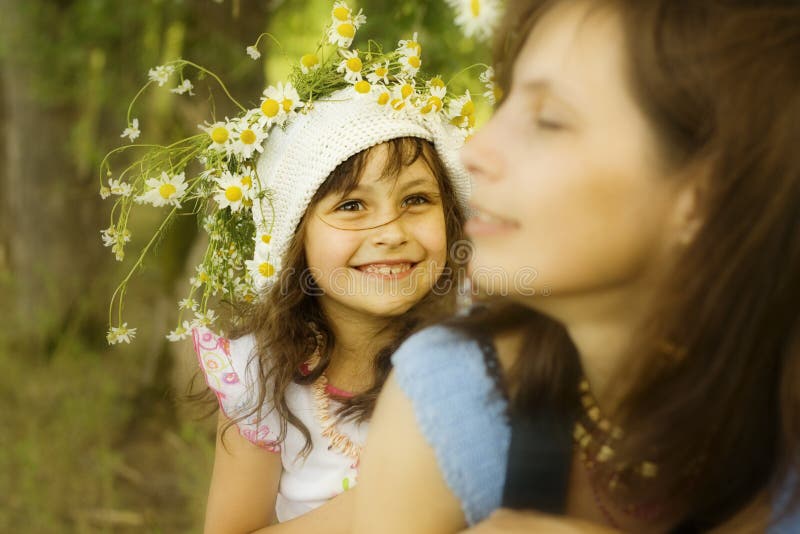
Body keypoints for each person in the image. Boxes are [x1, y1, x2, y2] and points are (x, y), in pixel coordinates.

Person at [351, 0, 800, 532]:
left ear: (705, 195)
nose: (474, 150)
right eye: (504, 102)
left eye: (548, 121)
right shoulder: (450, 398)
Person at [189, 5, 476, 534]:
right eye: (351, 206)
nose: (391, 231)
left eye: (416, 200)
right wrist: (389, 506)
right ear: (296, 238)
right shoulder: (262, 379)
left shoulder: (482, 349)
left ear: (452, 219)